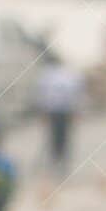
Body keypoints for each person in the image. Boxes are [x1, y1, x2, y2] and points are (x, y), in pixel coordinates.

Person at [33, 50, 83, 179]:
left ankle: (56, 161)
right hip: (65, 110)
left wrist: (43, 113)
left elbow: (42, 96)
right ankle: (61, 162)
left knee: (54, 137)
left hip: (54, 111)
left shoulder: (46, 75)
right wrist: (76, 111)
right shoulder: (68, 75)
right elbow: (75, 94)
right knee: (64, 137)